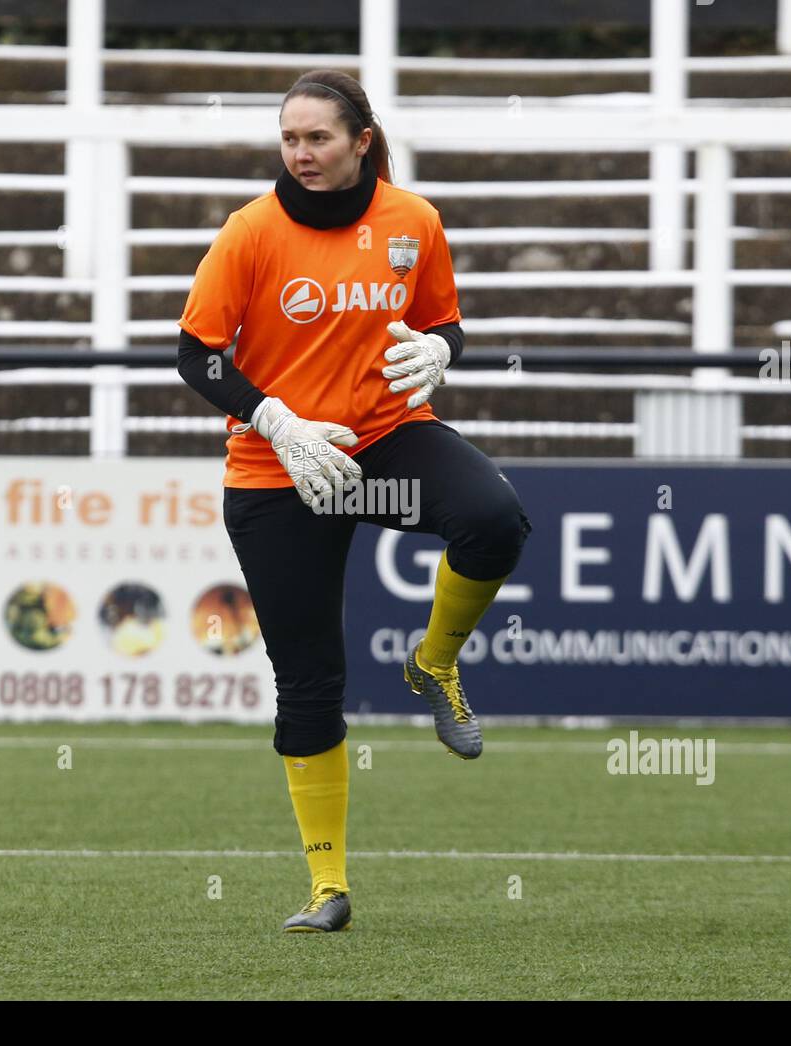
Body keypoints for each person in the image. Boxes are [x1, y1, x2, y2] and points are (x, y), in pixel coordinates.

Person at [176, 70, 532, 934]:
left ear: (361, 140)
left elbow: (443, 322)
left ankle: (433, 663)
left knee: (494, 520)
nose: (300, 153)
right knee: (308, 684)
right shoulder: (250, 232)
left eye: (318, 138)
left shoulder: (415, 221)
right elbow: (197, 354)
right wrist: (274, 418)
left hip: (381, 446)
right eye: (290, 138)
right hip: (282, 468)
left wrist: (443, 354)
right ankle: (327, 888)